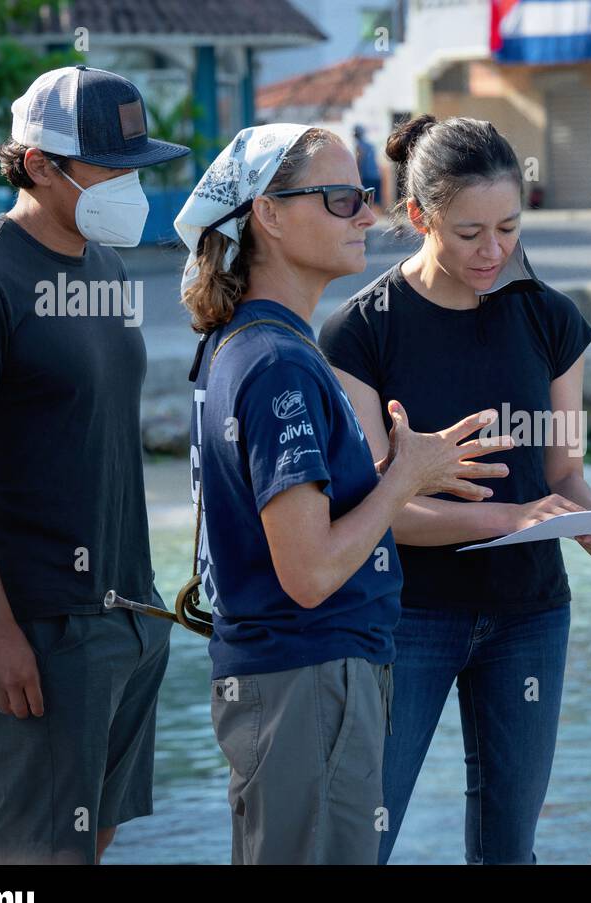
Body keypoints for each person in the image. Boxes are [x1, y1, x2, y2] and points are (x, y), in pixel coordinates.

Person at [174, 123, 510, 865]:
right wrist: (407, 476)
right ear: (267, 214)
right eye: (339, 199)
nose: (366, 215)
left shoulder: (242, 344)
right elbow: (311, 571)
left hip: (290, 678)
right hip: (307, 681)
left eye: (363, 195)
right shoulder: (278, 365)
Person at [318, 115, 591, 864]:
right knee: (362, 838)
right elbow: (375, 514)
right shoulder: (360, 334)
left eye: (509, 227)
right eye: (469, 233)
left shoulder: (552, 319)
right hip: (406, 616)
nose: (494, 251)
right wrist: (518, 515)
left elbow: (563, 473)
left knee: (508, 851)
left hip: (530, 614)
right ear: (420, 216)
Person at [0, 65, 190, 863]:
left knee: (89, 846)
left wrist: (148, 614)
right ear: (37, 163)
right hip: (41, 625)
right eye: (110, 166)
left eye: (139, 165)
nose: (130, 184)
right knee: (38, 859)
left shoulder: (102, 265)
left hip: (131, 612)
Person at [353, 124, 383, 210]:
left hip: (367, 176)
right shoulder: (370, 145)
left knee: (365, 198)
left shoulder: (359, 145)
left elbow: (359, 161)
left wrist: (357, 176)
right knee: (375, 199)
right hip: (376, 175)